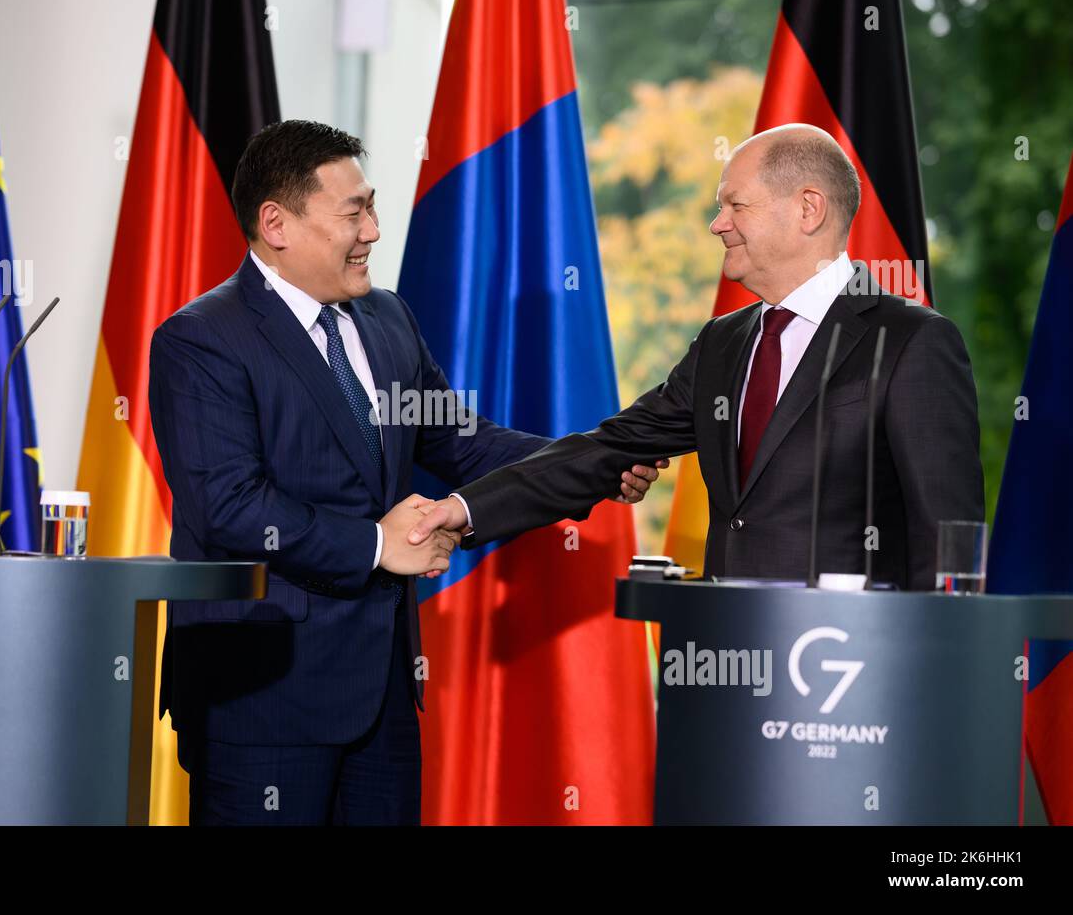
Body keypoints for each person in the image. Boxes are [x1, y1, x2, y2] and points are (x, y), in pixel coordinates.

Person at [147, 120, 660, 825]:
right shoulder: (200, 339)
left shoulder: (386, 318)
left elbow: (462, 443)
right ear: (276, 224)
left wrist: (596, 464)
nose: (375, 230)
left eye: (373, 205)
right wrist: (377, 545)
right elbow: (229, 508)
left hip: (382, 694)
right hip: (259, 699)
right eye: (353, 211)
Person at [411, 123, 984, 592]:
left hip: (857, 688)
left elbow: (948, 540)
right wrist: (463, 510)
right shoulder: (722, 343)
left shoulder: (911, 341)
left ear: (809, 209)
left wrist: (932, 683)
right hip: (725, 669)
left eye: (735, 204)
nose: (717, 224)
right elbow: (610, 447)